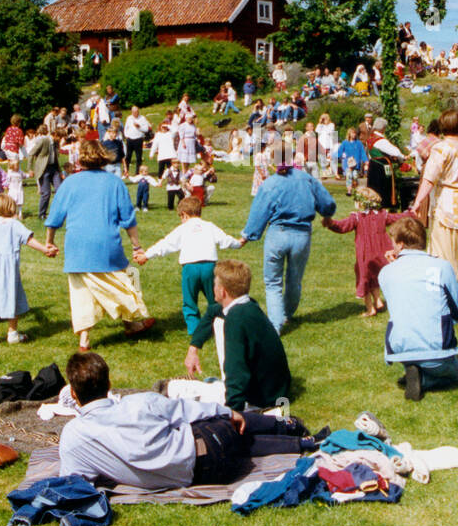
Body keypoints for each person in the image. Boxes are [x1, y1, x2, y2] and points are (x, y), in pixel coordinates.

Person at [56, 351, 318, 488]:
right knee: (221, 424)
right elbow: (187, 410)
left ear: (75, 396)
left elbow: (76, 481)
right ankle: (287, 425)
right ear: (109, 383)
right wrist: (228, 411)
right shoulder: (140, 402)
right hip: (212, 445)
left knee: (232, 440)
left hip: (204, 474)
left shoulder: (73, 436)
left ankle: (302, 444)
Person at [44, 139, 156, 350]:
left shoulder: (70, 182)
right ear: (104, 157)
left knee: (80, 292)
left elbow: (54, 217)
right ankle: (132, 322)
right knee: (121, 280)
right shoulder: (114, 182)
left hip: (77, 247)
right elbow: (128, 219)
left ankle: (85, 339)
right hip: (107, 245)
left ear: (81, 158)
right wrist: (136, 246)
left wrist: (49, 243)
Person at [239, 155, 337, 333]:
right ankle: (286, 315)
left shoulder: (270, 183)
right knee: (294, 280)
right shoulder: (306, 179)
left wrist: (248, 235)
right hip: (301, 235)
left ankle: (275, 326)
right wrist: (327, 215)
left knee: (273, 282)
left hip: (278, 234)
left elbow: (259, 211)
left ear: (273, 161)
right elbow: (326, 202)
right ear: (292, 158)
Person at [182, 259, 293, 412]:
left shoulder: (235, 320)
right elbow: (213, 311)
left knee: (182, 393)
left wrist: (233, 412)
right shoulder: (249, 305)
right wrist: (193, 348)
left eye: (215, 284)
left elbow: (236, 369)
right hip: (278, 391)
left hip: (261, 399)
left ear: (222, 291)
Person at [377, 217, 458, 400]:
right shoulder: (441, 267)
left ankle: (413, 371)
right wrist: (448, 321)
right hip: (436, 348)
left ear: (400, 245)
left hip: (400, 349)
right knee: (455, 373)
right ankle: (424, 379)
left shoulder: (386, 273)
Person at [138, 196, 243, 336]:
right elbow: (226, 240)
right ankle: (220, 325)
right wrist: (239, 242)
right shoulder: (209, 226)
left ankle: (195, 331)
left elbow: (165, 244)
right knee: (215, 299)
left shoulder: (182, 229)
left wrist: (146, 255)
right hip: (209, 267)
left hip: (189, 269)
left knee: (190, 301)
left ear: (184, 215)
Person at [410, 109, 458, 284]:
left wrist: (417, 202)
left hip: (447, 200)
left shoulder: (441, 148)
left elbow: (429, 178)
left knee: (442, 241)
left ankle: (443, 277)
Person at [0, 193, 57, 344]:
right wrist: (45, 249)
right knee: (11, 295)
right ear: (10, 208)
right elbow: (29, 239)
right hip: (6, 267)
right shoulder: (13, 224)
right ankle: (12, 332)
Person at [323, 186, 412, 316]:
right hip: (381, 253)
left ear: (360, 202)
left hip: (365, 254)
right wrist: (410, 213)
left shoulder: (357, 217)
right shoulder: (382, 215)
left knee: (363, 278)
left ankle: (370, 309)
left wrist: (331, 223)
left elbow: (343, 226)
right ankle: (378, 301)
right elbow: (397, 218)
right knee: (375, 276)